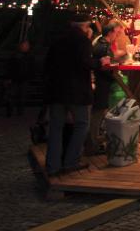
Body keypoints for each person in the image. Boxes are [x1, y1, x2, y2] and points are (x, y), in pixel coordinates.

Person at [44, 20, 98, 176]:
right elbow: (85, 63)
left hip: (56, 91)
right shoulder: (83, 41)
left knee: (55, 128)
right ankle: (71, 161)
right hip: (77, 92)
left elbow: (47, 65)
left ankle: (52, 165)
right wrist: (99, 63)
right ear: (84, 27)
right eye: (89, 27)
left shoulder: (58, 40)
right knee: (82, 124)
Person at [87, 21, 122, 155]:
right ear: (110, 32)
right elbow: (104, 67)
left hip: (100, 83)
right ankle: (92, 145)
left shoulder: (100, 44)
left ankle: (94, 142)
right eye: (117, 33)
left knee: (99, 113)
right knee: (98, 113)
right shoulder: (104, 47)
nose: (118, 36)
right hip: (102, 84)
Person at [5, 41, 33, 117]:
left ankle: (18, 112)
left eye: (27, 46)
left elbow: (31, 67)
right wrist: (9, 78)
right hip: (16, 79)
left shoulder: (28, 56)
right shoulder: (16, 56)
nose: (26, 47)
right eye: (24, 46)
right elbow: (10, 67)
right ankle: (12, 111)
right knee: (13, 96)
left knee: (21, 96)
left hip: (23, 79)